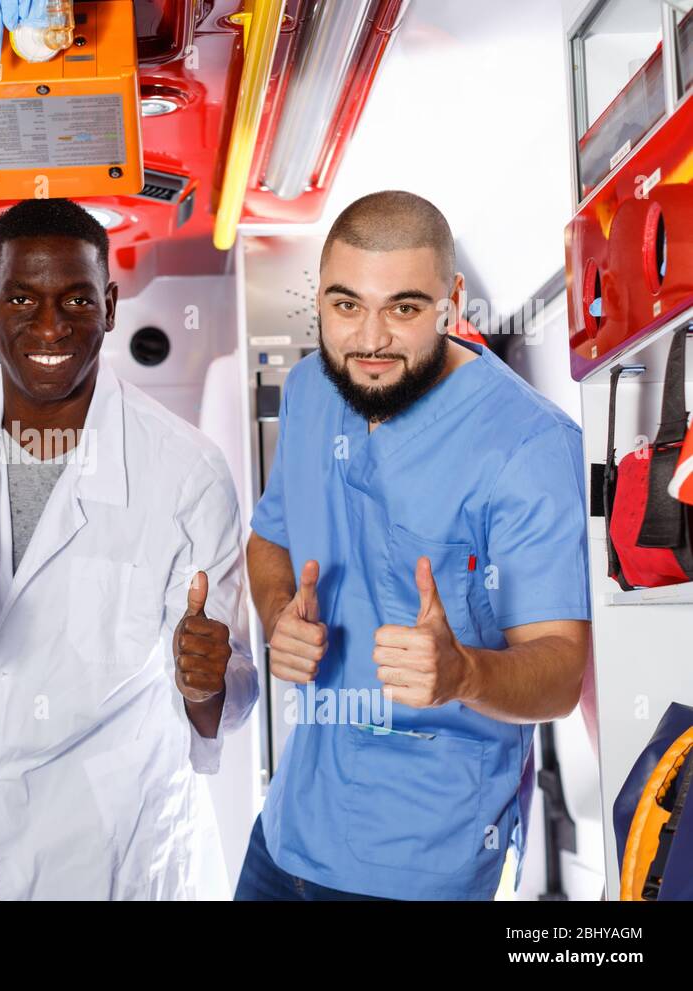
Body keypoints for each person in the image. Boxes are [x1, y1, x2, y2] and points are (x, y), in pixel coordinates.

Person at [0, 198, 258, 900]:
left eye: (76, 299)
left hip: (107, 847)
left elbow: (231, 681)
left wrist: (208, 683)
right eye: (22, 298)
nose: (49, 326)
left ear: (109, 303)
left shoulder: (187, 469)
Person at [237, 191, 592, 901]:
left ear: (451, 301)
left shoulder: (527, 443)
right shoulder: (310, 389)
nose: (369, 340)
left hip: (419, 860)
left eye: (403, 308)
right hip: (289, 830)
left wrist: (463, 674)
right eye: (345, 306)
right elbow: (268, 538)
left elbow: (559, 672)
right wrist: (279, 613)